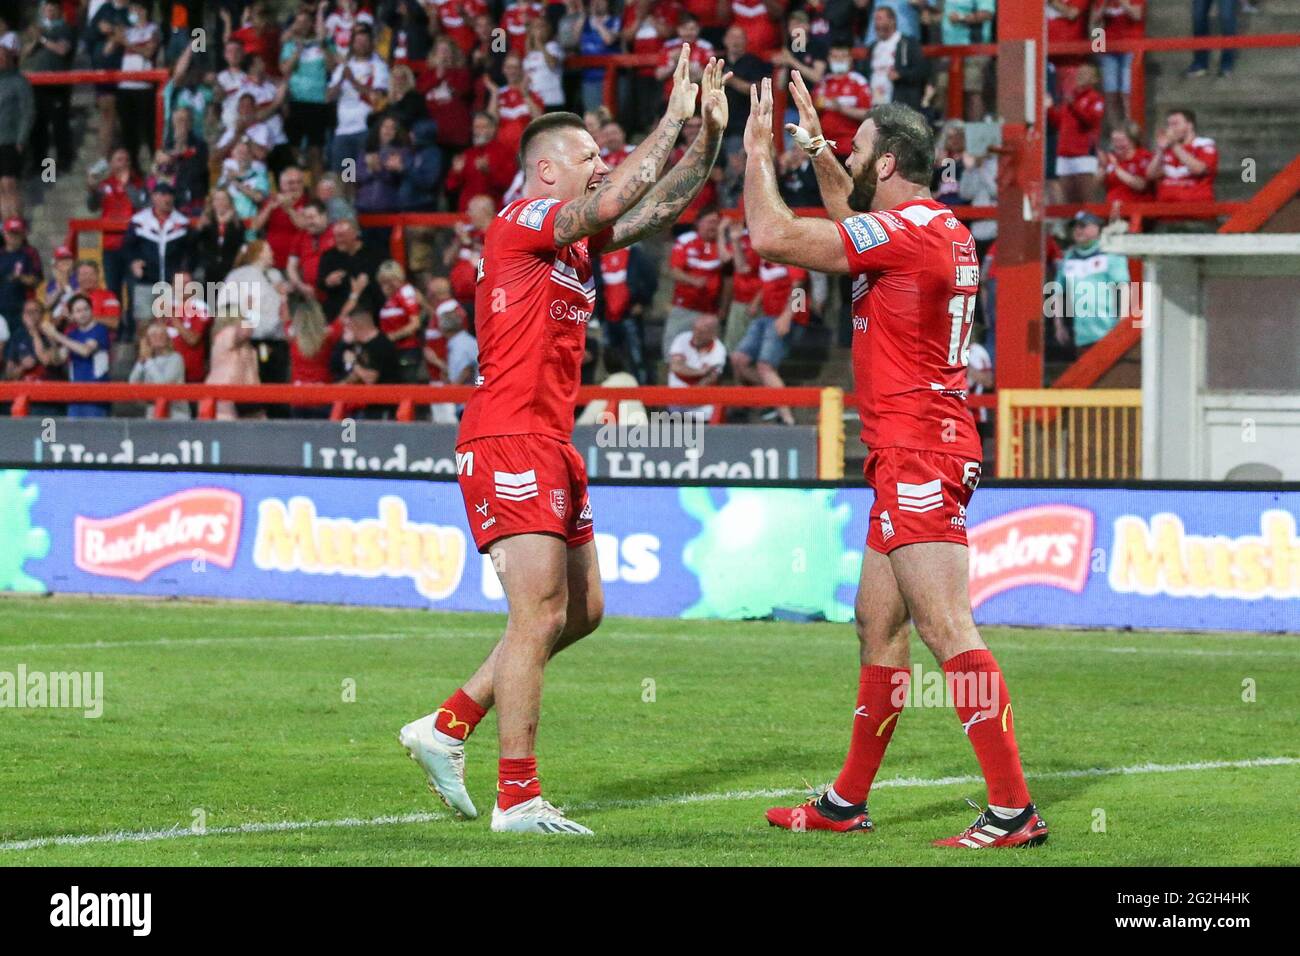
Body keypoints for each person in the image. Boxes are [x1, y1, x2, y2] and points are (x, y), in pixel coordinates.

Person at [398, 50, 730, 836]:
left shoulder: (572, 240)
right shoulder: (522, 221)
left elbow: (654, 207)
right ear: (547, 171)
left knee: (580, 611)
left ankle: (446, 726)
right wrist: (673, 116)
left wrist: (709, 138)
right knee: (535, 613)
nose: (602, 164)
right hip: (508, 436)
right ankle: (518, 796)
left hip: (549, 440)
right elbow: (622, 192)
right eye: (588, 155)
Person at [747, 72, 1048, 846]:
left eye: (855, 151)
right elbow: (852, 209)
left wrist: (756, 153)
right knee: (877, 623)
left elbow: (775, 238)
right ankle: (847, 803)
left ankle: (1013, 809)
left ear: (885, 165)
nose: (847, 161)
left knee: (948, 628)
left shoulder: (906, 232)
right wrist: (817, 146)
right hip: (915, 446)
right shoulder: (936, 226)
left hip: (920, 448)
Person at [42, 294, 111, 417]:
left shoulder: (100, 329)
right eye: (78, 311)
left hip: (96, 395)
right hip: (75, 394)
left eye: (86, 309)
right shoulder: (71, 335)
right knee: (74, 434)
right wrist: (52, 339)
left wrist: (57, 335)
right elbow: (58, 359)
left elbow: (85, 351)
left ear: (91, 310)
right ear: (72, 315)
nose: (83, 313)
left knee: (96, 434)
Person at [667, 313, 726, 421]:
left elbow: (709, 381)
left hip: (702, 411)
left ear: (713, 334)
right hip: (675, 409)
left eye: (702, 332)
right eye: (695, 329)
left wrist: (686, 397)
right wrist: (701, 372)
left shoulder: (719, 350)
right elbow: (676, 366)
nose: (696, 335)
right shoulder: (682, 339)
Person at [129, 320, 189, 418]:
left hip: (175, 416)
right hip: (153, 414)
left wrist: (148, 360)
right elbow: (132, 383)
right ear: (147, 340)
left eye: (162, 334)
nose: (159, 337)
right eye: (154, 335)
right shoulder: (147, 360)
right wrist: (141, 361)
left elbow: (162, 386)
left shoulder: (176, 358)